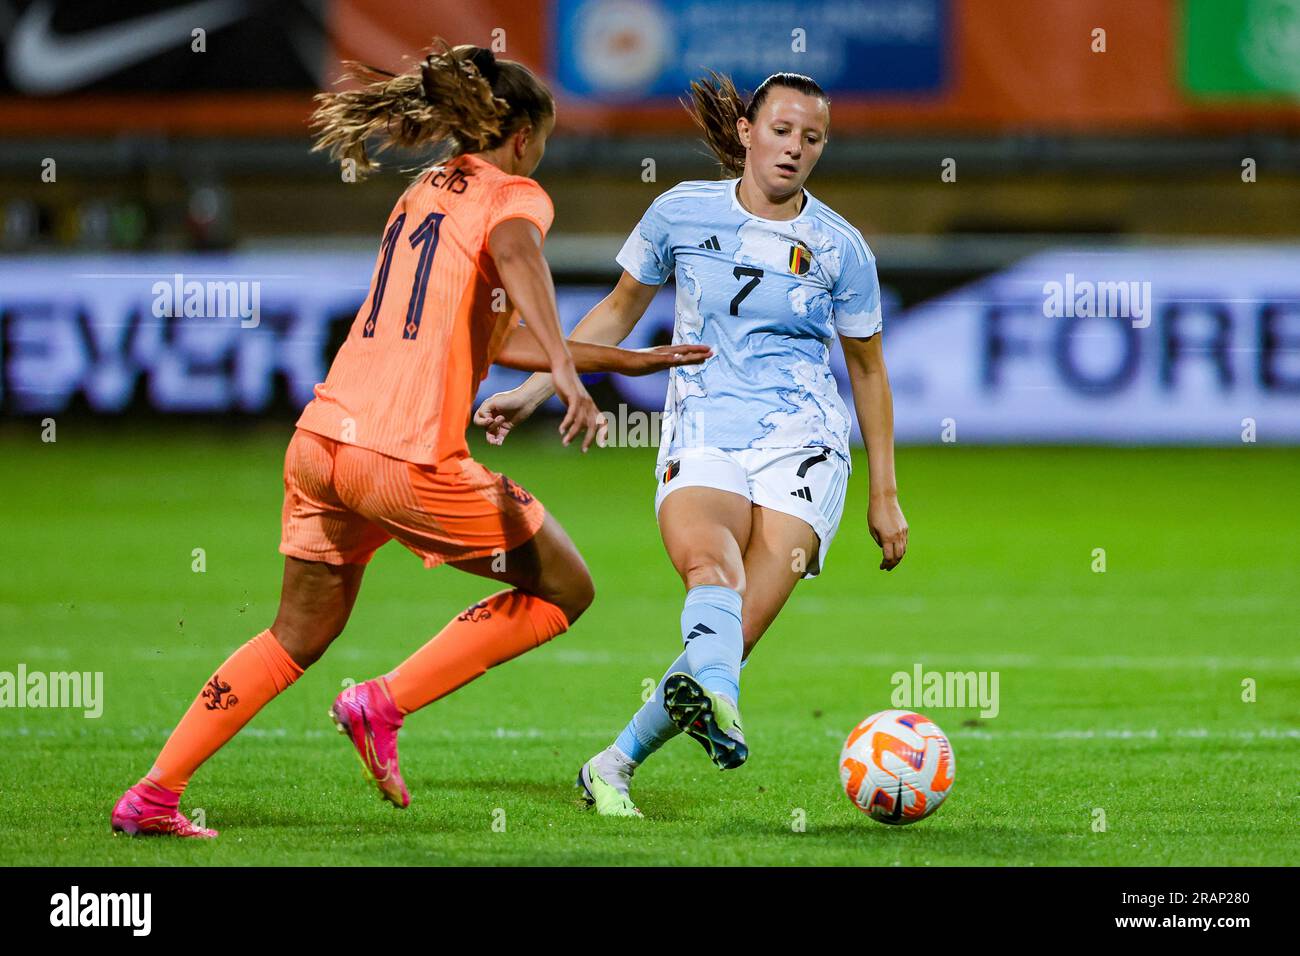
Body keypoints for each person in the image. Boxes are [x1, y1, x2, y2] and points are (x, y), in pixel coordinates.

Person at [108, 43, 709, 838]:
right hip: (402, 456)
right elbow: (520, 253)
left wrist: (616, 359)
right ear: (522, 136)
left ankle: (153, 793)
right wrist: (567, 371)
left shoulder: (426, 190)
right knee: (567, 589)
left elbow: (488, 335)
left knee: (296, 636)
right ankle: (381, 703)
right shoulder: (515, 194)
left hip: (322, 443)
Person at [474, 71, 908, 817]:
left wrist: (885, 493)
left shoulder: (842, 248)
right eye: (781, 131)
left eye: (811, 138)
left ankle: (614, 764)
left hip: (804, 446)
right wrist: (537, 386)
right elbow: (613, 314)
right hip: (703, 429)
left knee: (730, 638)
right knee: (711, 571)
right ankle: (713, 712)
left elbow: (867, 370)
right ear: (746, 132)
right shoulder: (679, 213)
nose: (794, 149)